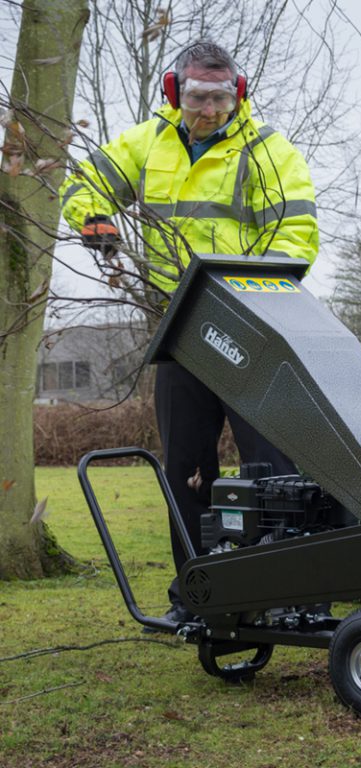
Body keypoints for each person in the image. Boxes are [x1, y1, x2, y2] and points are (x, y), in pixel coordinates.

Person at [60, 40, 319, 624]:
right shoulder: (146, 143)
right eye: (199, 98)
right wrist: (93, 217)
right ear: (177, 93)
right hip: (180, 331)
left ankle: (289, 590)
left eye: (221, 99)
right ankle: (198, 595)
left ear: (239, 94)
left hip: (252, 331)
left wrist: (251, 296)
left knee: (272, 464)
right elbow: (85, 180)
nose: (209, 110)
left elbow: (297, 234)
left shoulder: (268, 152)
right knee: (186, 468)